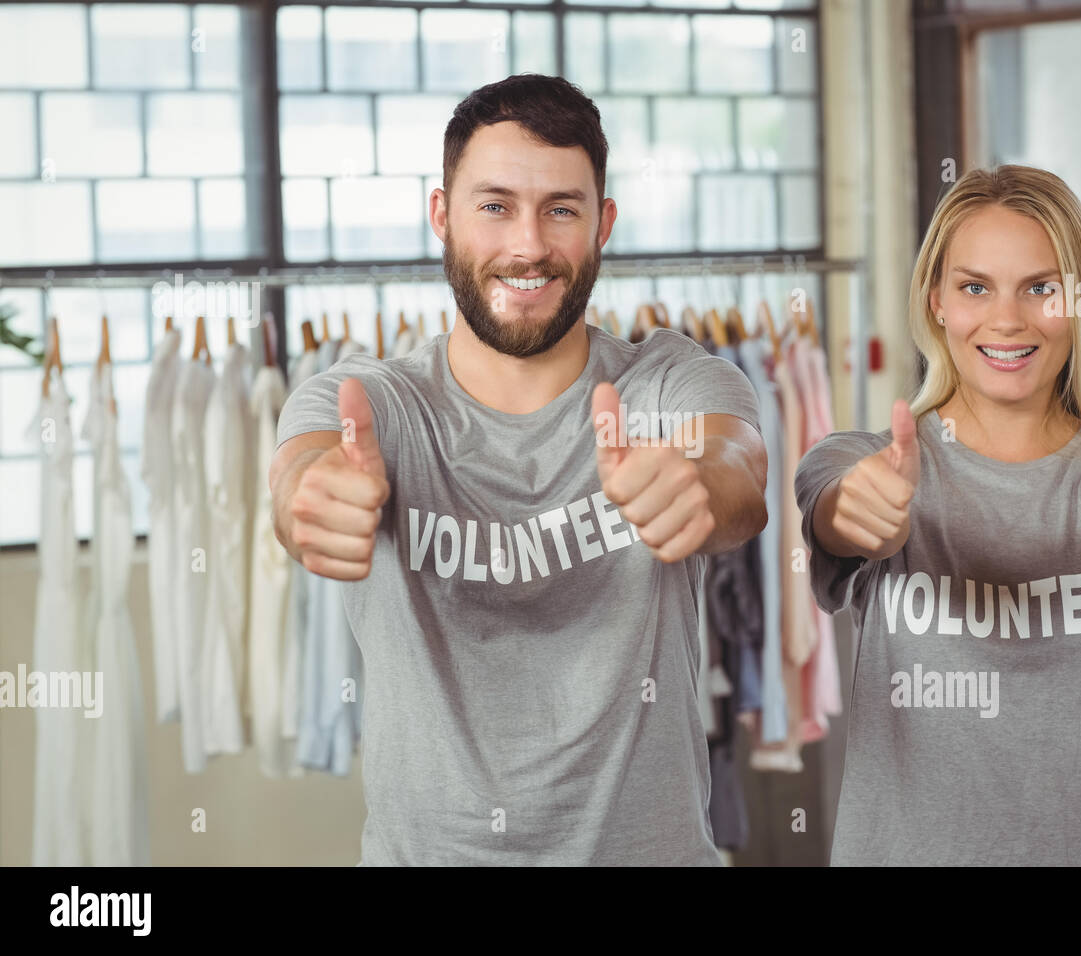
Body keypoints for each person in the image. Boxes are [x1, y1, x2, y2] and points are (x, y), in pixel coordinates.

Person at [269, 74, 767, 865]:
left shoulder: (669, 380)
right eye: (495, 205)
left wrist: (700, 486)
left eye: (560, 210)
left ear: (602, 224)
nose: (528, 246)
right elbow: (303, 466)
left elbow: (738, 463)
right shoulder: (369, 403)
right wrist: (313, 498)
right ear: (442, 215)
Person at [796, 165, 1081, 866]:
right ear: (936, 301)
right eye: (975, 287)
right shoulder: (856, 465)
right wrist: (858, 519)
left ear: (1079, 302)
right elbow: (835, 512)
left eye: (1040, 288)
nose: (1007, 320)